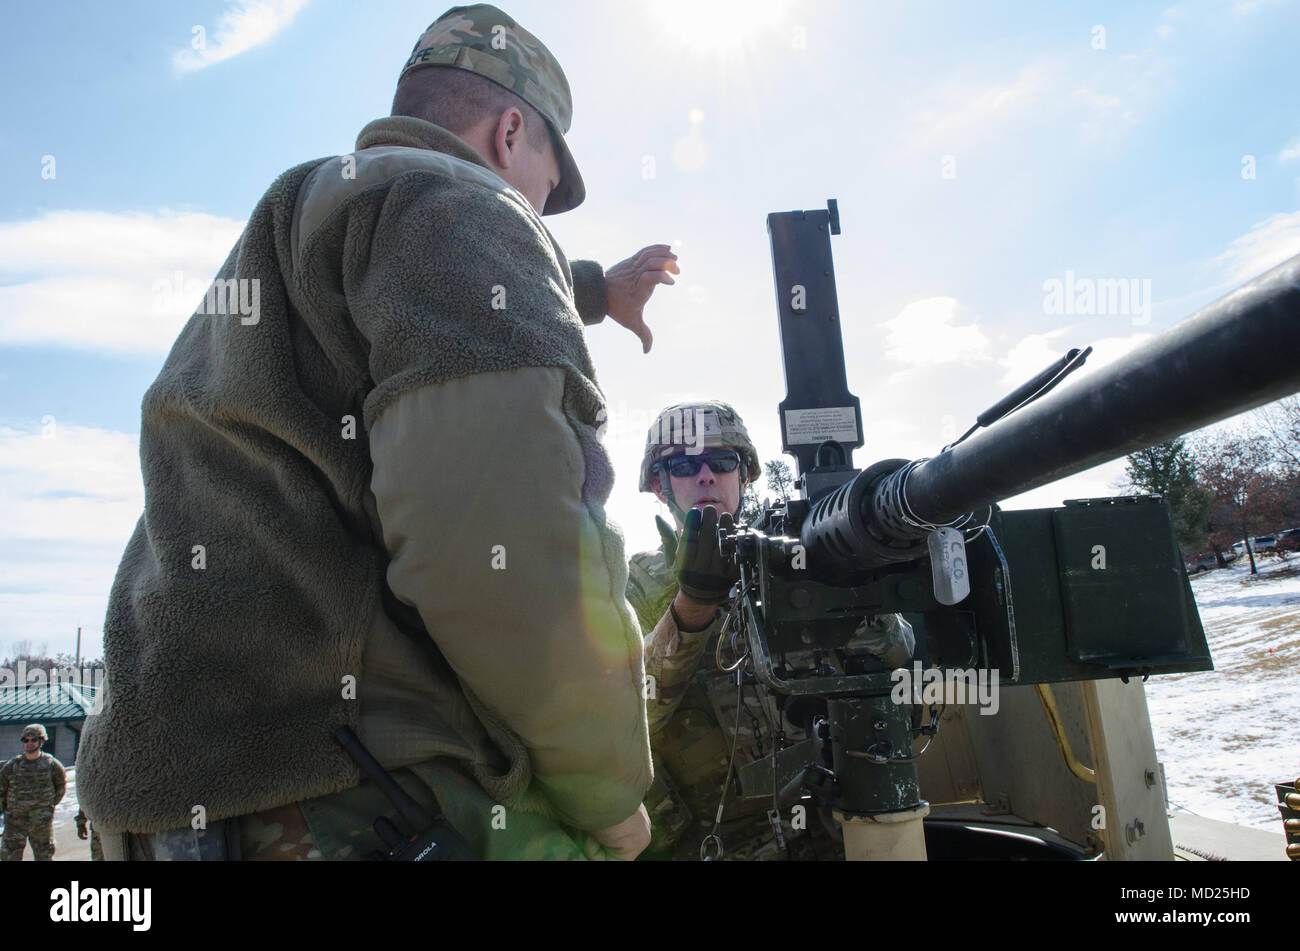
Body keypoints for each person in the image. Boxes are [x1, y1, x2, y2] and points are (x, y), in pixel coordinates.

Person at [77, 4, 678, 861]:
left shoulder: (304, 206)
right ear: (511, 134)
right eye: (548, 185)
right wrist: (610, 792)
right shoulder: (470, 204)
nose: (540, 213)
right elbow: (499, 545)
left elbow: (417, 296)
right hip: (342, 801)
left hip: (157, 804)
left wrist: (585, 289)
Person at [628, 402, 914, 860]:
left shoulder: (796, 554)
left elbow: (899, 654)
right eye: (683, 465)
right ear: (660, 486)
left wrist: (850, 600)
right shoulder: (635, 585)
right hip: (718, 842)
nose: (705, 476)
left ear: (742, 477)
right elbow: (631, 713)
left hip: (833, 822)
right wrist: (692, 606)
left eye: (721, 462)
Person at [0, 724, 67, 861]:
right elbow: (1, 789)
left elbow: (60, 787)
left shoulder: (52, 765)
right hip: (15, 823)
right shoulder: (12, 766)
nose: (29, 743)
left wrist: (47, 807)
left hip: (41, 823)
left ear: (41, 741)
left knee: (44, 857)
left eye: (33, 740)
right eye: (26, 740)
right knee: (9, 857)